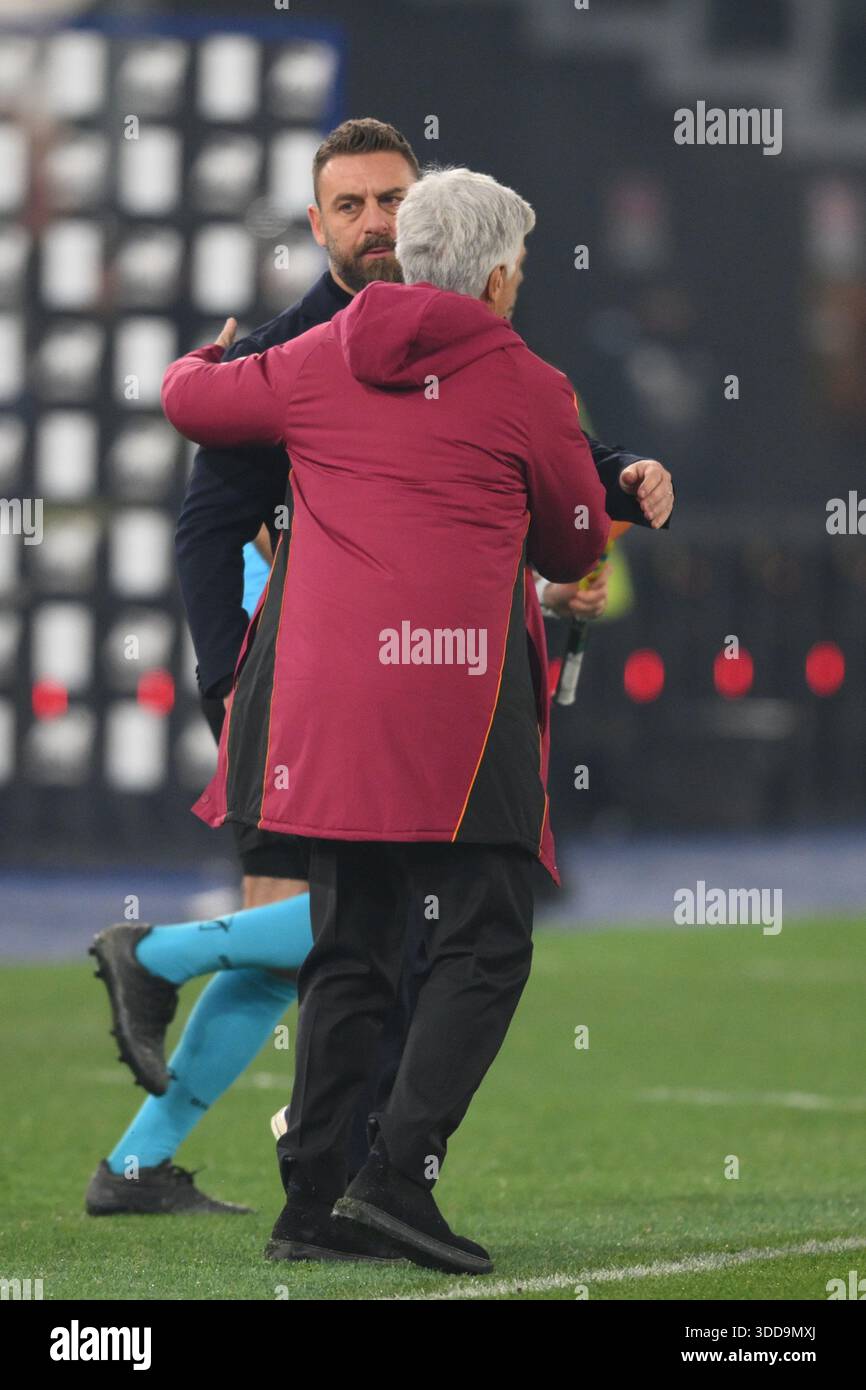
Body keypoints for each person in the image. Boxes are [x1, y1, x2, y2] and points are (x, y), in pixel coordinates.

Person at [88, 119, 672, 1220]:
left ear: (420, 220)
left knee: (349, 934)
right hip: (334, 697)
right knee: (404, 933)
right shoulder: (376, 353)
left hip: (330, 695)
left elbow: (526, 448)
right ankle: (341, 1163)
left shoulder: (333, 356)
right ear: (316, 226)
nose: (374, 224)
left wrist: (616, 469)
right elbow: (208, 524)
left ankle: (276, 1171)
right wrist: (224, 686)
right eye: (350, 206)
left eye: (391, 202)